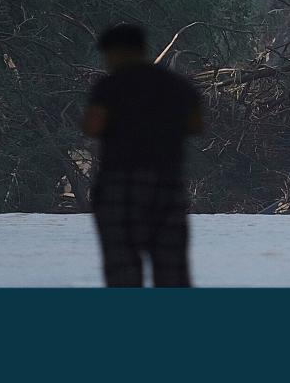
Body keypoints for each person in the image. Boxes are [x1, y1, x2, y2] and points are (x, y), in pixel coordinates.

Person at [82, 24, 203, 287]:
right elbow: (196, 125)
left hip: (119, 183)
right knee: (171, 268)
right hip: (166, 183)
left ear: (116, 52)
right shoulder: (176, 85)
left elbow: (92, 127)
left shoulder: (109, 86)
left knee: (122, 267)